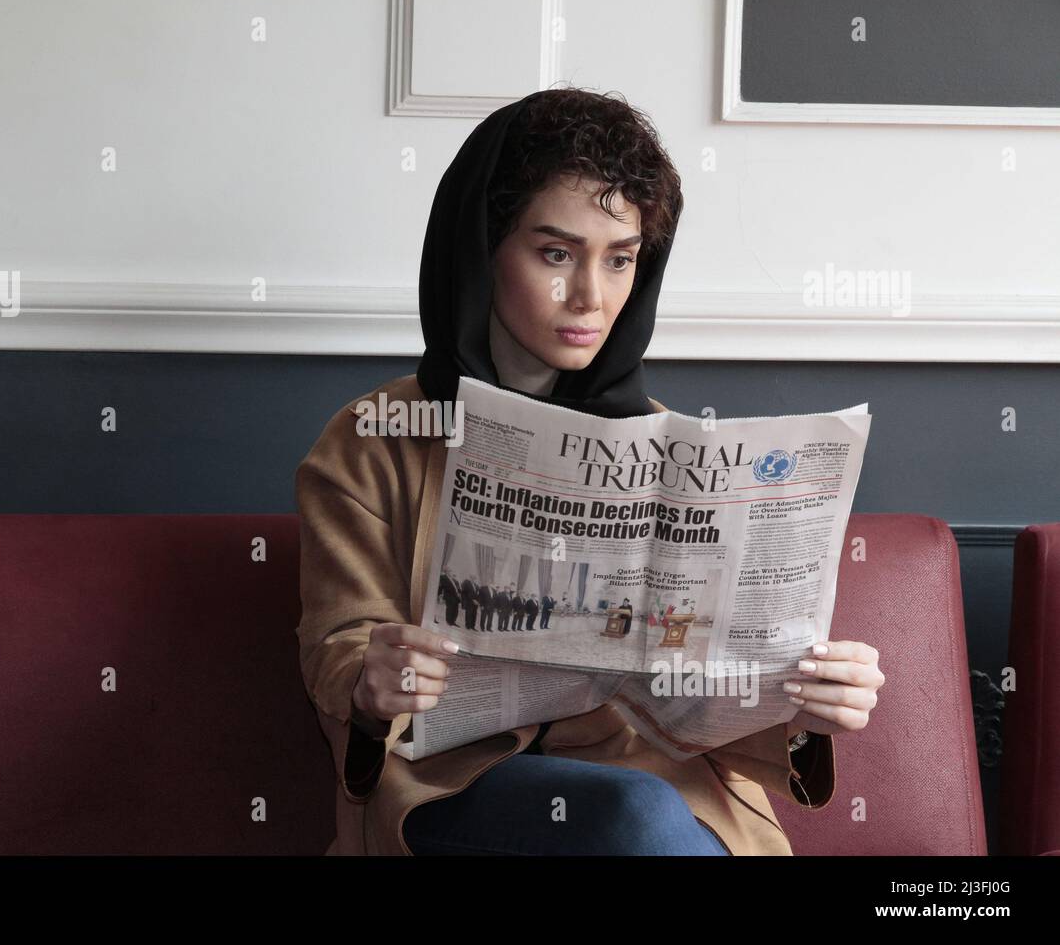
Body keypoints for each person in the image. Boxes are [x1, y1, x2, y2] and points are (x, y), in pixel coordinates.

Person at [294, 87, 883, 856]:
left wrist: (803, 706)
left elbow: (725, 702)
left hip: (664, 785)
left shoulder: (669, 448)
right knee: (633, 819)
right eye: (555, 253)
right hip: (458, 791)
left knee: (649, 817)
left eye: (621, 260)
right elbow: (338, 644)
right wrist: (371, 681)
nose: (591, 297)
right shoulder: (372, 439)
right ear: (481, 248)